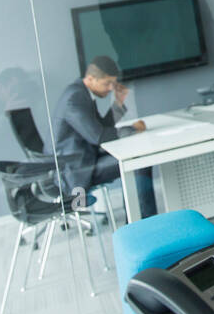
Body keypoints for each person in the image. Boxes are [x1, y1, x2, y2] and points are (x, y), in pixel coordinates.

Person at [51, 56, 157, 219]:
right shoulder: (75, 97)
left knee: (136, 155)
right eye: (107, 83)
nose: (110, 89)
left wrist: (118, 104)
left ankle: (135, 217)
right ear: (91, 78)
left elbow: (102, 128)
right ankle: (145, 221)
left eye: (112, 84)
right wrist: (133, 128)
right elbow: (99, 136)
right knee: (139, 159)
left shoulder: (81, 92)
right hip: (76, 169)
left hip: (86, 158)